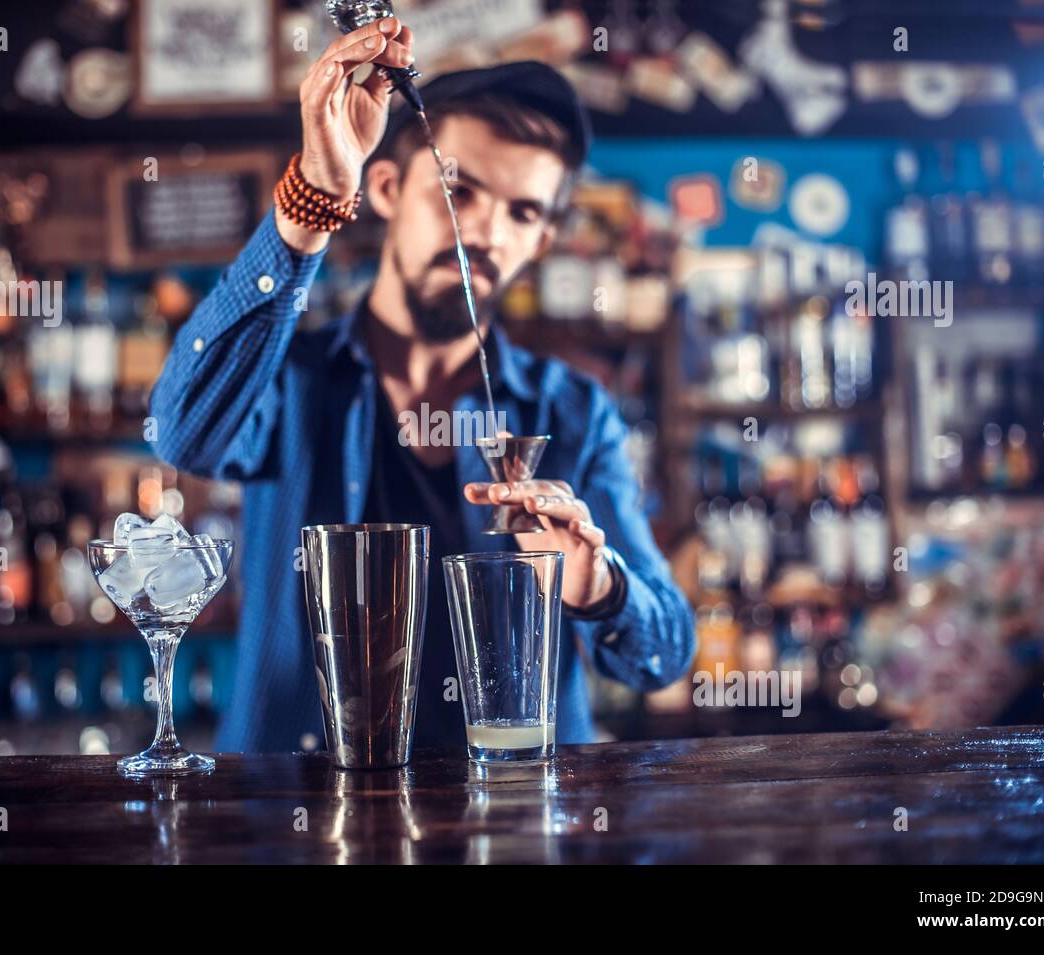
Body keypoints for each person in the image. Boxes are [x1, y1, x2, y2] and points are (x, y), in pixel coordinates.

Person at [149, 17, 695, 753]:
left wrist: (599, 582)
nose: (486, 231)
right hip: (301, 815)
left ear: (541, 241)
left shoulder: (571, 411)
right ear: (384, 186)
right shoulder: (292, 378)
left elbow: (662, 654)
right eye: (457, 189)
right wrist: (312, 198)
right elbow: (182, 431)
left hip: (514, 820)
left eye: (523, 212)